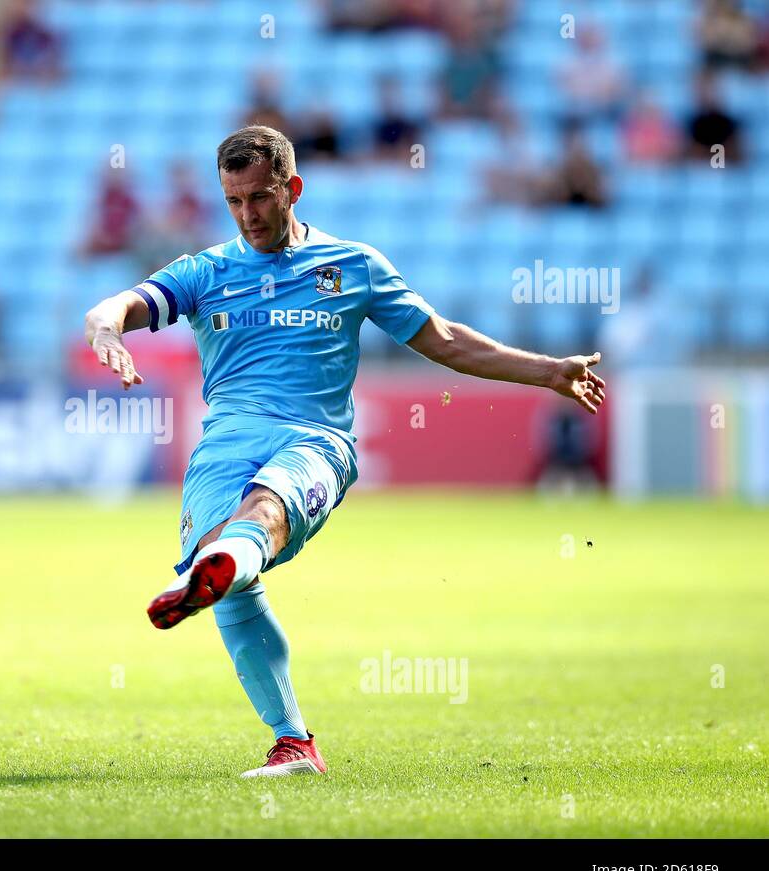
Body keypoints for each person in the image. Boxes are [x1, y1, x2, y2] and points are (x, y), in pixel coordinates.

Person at [81, 126, 606, 778]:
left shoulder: (353, 266)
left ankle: (222, 560)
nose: (248, 215)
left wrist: (547, 372)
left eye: (261, 198)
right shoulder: (207, 272)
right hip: (224, 445)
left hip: (315, 441)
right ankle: (294, 742)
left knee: (260, 516)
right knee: (231, 583)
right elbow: (127, 302)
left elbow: (443, 339)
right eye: (235, 201)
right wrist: (104, 323)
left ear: (292, 189)